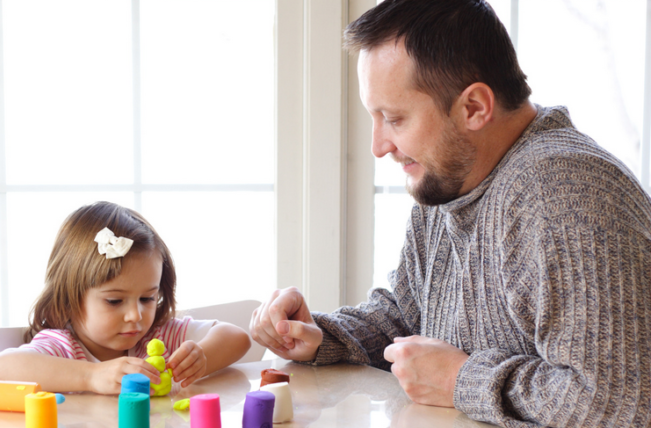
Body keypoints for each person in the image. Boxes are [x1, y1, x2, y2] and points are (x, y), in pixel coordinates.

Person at [250, 0, 651, 427]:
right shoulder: (453, 178)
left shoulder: (562, 193)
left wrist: (462, 380)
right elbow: (405, 316)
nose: (378, 145)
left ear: (474, 107)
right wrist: (318, 337)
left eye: (394, 118)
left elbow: (624, 400)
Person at [0, 201, 251, 394]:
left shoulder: (159, 338)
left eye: (147, 298)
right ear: (69, 298)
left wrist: (201, 357)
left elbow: (237, 337)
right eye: (114, 301)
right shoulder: (62, 348)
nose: (136, 315)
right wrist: (91, 377)